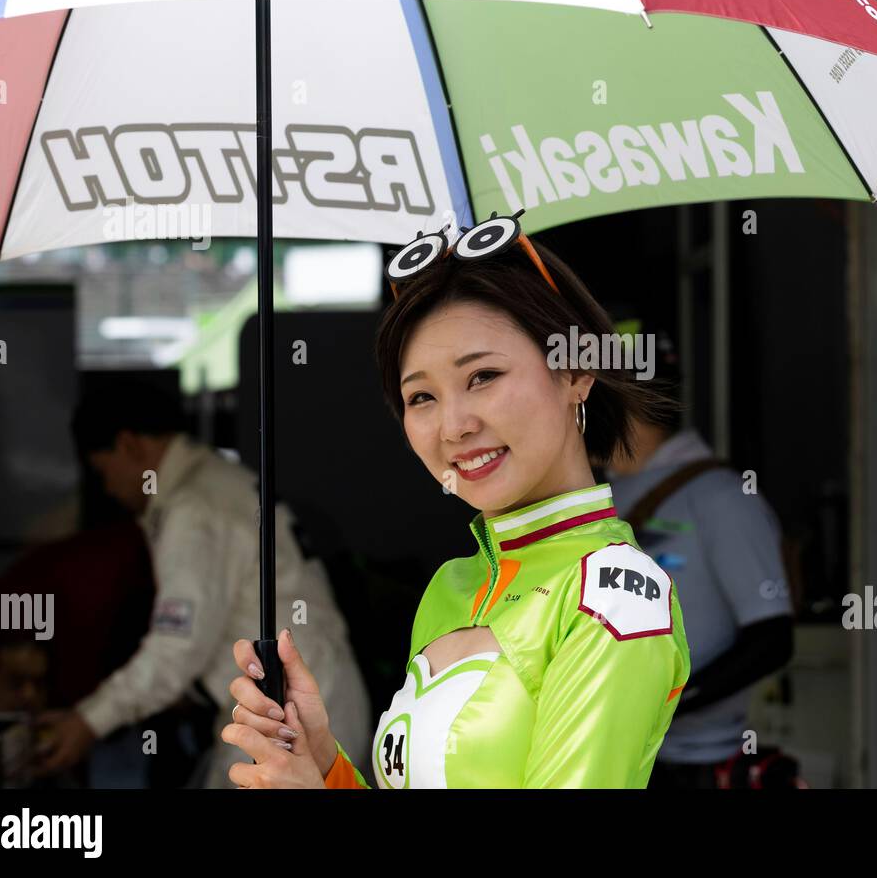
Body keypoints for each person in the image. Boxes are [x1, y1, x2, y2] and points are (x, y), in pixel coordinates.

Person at [221, 216, 692, 788]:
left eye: (483, 376)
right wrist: (323, 762)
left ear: (574, 370)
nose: (454, 426)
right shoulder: (452, 587)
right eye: (421, 396)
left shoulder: (612, 594)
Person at [37, 382, 370, 788]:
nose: (107, 488)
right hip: (304, 702)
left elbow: (176, 647)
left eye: (103, 472)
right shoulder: (217, 483)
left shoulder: (195, 509)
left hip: (291, 714)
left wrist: (88, 721)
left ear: (129, 446)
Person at [603, 317, 794, 789]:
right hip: (612, 762)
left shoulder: (720, 496)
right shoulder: (599, 496)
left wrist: (669, 701)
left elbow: (772, 638)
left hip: (695, 767)